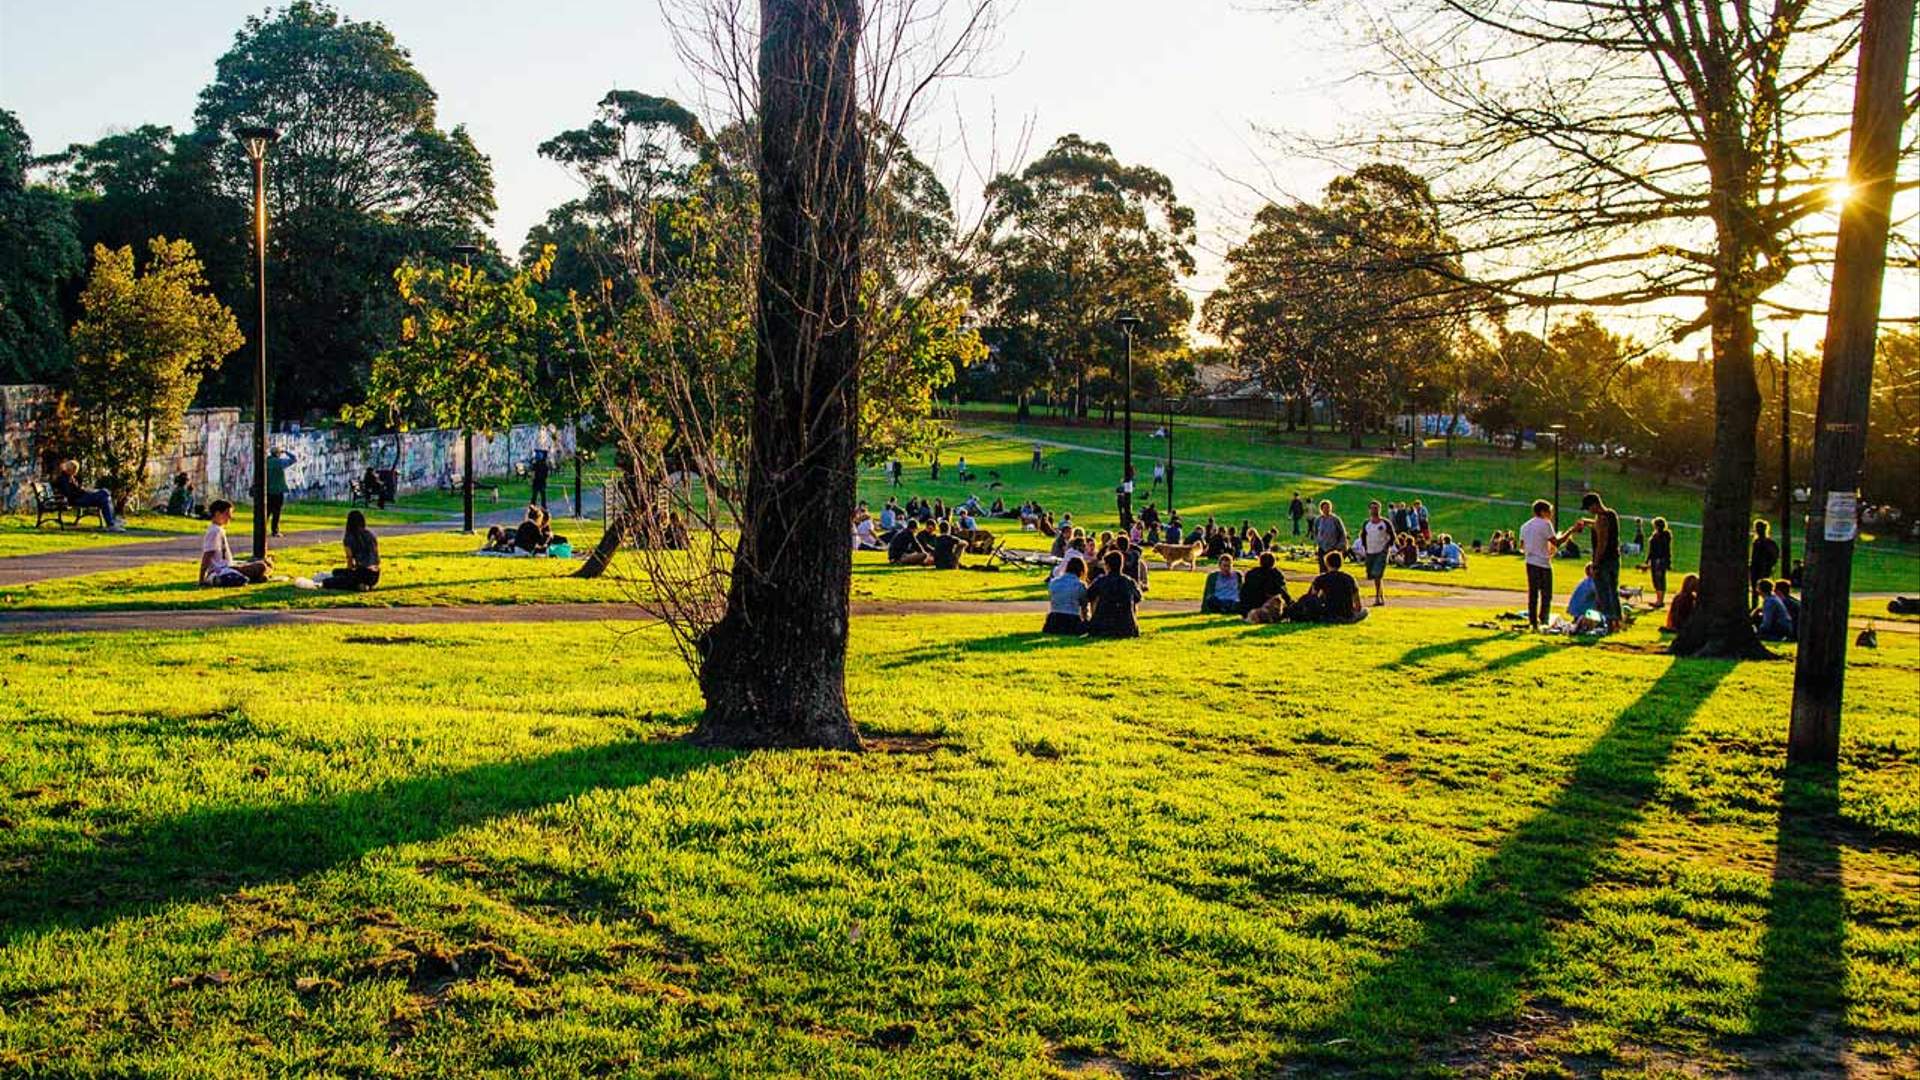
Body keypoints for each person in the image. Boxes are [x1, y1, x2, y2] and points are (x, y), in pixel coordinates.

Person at [199, 499, 270, 586]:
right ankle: (220, 579)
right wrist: (201, 578)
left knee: (265, 563)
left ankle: (253, 577)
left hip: (228, 565)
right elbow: (208, 554)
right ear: (217, 514)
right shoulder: (214, 531)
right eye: (227, 514)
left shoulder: (219, 530)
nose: (230, 517)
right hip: (222, 569)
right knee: (261, 566)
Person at [1580, 491, 1622, 630]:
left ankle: (1609, 622)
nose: (1589, 511)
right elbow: (1600, 527)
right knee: (1613, 591)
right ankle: (1618, 621)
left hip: (1604, 561)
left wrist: (1596, 563)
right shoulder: (1611, 515)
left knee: (1604, 592)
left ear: (1595, 505)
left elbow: (1602, 542)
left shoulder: (1601, 518)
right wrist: (1588, 523)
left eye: (1589, 508)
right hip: (1614, 558)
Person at [53, 460, 124, 532]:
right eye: (74, 470)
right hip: (76, 500)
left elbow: (77, 489)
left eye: (75, 470)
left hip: (81, 497)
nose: (75, 472)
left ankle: (112, 523)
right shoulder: (63, 479)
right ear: (69, 469)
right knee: (104, 492)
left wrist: (85, 491)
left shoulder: (69, 477)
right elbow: (70, 494)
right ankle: (113, 522)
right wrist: (83, 492)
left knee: (104, 499)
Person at [1295, 550, 1365, 624]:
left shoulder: (1321, 579)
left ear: (1327, 563)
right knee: (1365, 611)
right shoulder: (1349, 578)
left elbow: (1312, 598)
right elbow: (1357, 603)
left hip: (1328, 615)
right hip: (1347, 615)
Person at [1085, 550, 1143, 638]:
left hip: (1103, 626)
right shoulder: (1128, 581)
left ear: (1107, 566)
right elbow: (1138, 598)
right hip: (1126, 628)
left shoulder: (1101, 581)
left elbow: (1088, 596)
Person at [321, 510, 381, 591]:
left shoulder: (349, 537)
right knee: (337, 572)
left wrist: (349, 574)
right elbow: (376, 557)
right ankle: (366, 584)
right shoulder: (370, 535)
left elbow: (350, 560)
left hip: (361, 573)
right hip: (375, 575)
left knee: (332, 581)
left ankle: (359, 585)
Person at [1357, 500, 1394, 606]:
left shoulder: (1385, 523)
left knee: (1377, 574)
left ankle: (1378, 597)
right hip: (1370, 551)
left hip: (1381, 552)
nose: (1374, 510)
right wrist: (1365, 548)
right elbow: (1363, 536)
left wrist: (1386, 548)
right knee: (1373, 575)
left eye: (1376, 508)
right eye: (1372, 508)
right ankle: (1380, 595)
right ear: (1369, 510)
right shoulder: (1367, 524)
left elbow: (1392, 537)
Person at [1044, 556, 1090, 634]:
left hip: (1053, 621)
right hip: (1071, 621)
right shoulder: (1079, 585)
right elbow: (1084, 607)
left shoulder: (1053, 582)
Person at [265, 446, 295, 537]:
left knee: (267, 511)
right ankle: (275, 531)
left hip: (268, 491)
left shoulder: (266, 462)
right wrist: (285, 451)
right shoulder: (280, 462)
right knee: (276, 512)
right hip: (278, 491)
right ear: (278, 454)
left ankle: (262, 529)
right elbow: (293, 459)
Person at [1749, 520, 1780, 607]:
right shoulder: (1759, 542)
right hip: (1759, 568)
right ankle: (1756, 606)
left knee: (1760, 588)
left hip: (1761, 568)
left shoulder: (1764, 542)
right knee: (1758, 588)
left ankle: (1758, 606)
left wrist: (1768, 564)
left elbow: (1774, 555)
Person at [1644, 517, 1673, 607]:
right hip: (1662, 560)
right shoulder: (1665, 536)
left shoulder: (1657, 537)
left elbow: (1652, 550)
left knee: (1657, 580)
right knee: (1661, 580)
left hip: (1657, 560)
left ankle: (1659, 601)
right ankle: (1660, 600)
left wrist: (1647, 560)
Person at [1312, 499, 1347, 572]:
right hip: (1322, 548)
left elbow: (1342, 533)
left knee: (1333, 568)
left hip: (1333, 547)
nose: (1327, 509)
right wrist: (1317, 543)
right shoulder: (1318, 520)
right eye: (1325, 508)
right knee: (1322, 569)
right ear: (1321, 509)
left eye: (1328, 507)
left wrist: (1341, 545)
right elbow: (1315, 532)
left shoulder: (1335, 519)